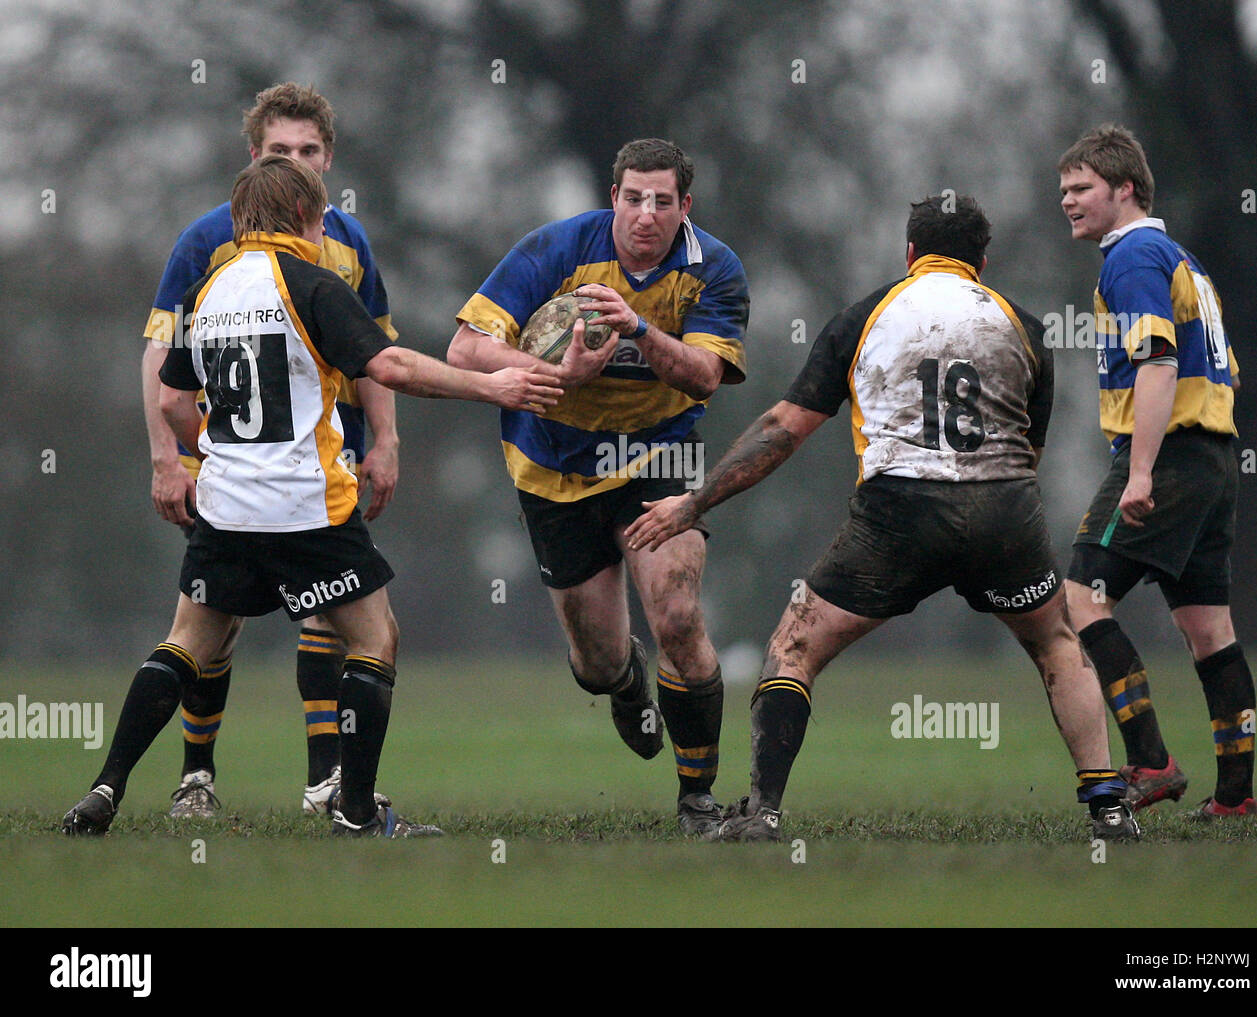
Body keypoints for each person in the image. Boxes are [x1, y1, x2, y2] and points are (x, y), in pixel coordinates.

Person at [63, 155, 562, 837]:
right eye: (322, 216)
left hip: (227, 504)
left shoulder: (206, 292)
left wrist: (220, 449)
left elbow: (175, 400)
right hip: (306, 504)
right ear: (305, 216)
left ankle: (104, 787)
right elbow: (387, 364)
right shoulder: (313, 282)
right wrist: (491, 387)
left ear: (241, 221)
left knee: (185, 644)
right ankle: (356, 812)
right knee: (374, 638)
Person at [627, 194, 1139, 841]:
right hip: (1004, 510)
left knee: (793, 646)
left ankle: (763, 812)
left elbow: (784, 430)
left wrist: (693, 501)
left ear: (909, 254)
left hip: (898, 513)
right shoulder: (1026, 326)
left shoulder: (865, 315)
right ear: (982, 261)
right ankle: (1109, 809)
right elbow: (1029, 449)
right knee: (1057, 643)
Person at [446, 139, 750, 835]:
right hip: (555, 466)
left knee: (676, 614)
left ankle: (698, 797)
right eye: (634, 197)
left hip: (660, 456)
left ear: (685, 207)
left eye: (662, 201)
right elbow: (465, 349)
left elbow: (706, 376)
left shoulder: (714, 269)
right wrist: (559, 373)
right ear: (613, 197)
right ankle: (624, 684)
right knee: (596, 660)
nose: (646, 214)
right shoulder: (554, 250)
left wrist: (637, 328)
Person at [141, 83, 400, 818]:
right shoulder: (207, 239)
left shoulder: (347, 239)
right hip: (227, 460)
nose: (296, 163)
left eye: (309, 151)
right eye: (280, 151)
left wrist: (386, 438)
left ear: (329, 158)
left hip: (321, 462)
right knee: (210, 625)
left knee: (330, 615)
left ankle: (326, 783)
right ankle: (197, 775)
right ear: (253, 157)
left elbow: (377, 351)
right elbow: (164, 358)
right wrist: (169, 455)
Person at [1057, 125, 1256, 819]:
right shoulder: (1182, 259)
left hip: (1167, 456)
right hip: (1215, 458)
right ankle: (1235, 796)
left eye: (1082, 188)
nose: (1068, 201)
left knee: (1080, 599)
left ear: (1126, 188)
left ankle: (1151, 760)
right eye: (1063, 190)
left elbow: (1160, 361)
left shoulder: (1132, 254)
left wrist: (1140, 472)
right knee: (1209, 628)